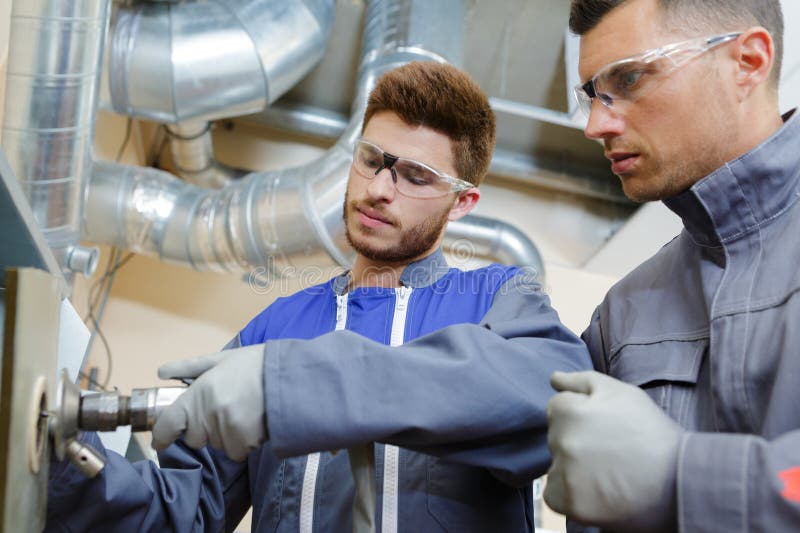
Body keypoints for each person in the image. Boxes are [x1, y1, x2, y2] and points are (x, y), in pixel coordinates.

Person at [47, 61, 591, 532]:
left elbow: (548, 403)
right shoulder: (275, 328)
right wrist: (55, 455)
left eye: (416, 177)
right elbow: (177, 512)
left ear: (463, 203)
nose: (380, 188)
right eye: (373, 158)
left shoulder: (496, 300)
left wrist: (296, 386)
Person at [544, 0, 799, 531]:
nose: (595, 125)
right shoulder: (624, 313)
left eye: (631, 78)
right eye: (592, 94)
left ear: (748, 61)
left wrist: (681, 479)